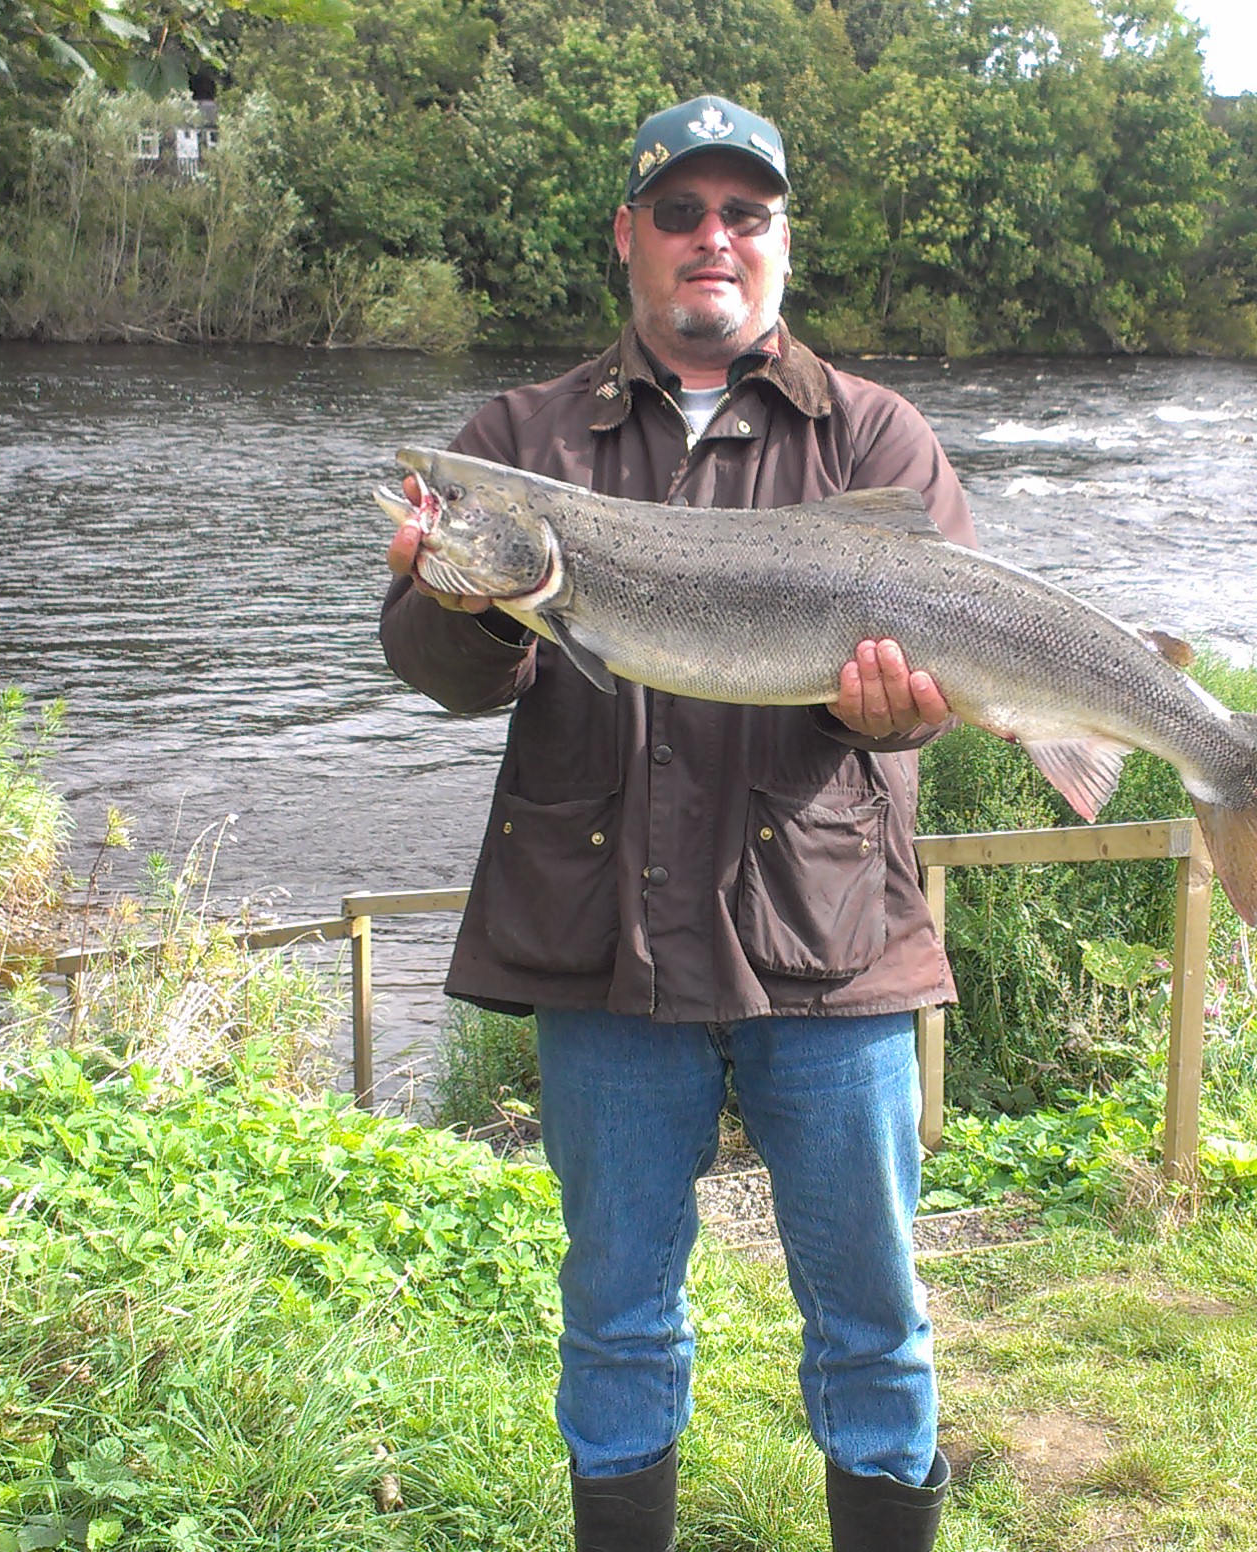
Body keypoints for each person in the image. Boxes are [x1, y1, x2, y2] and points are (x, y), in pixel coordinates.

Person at [379, 95, 973, 1551]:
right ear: (630, 240)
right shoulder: (517, 443)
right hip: (601, 954)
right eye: (684, 213)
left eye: (746, 216)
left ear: (779, 246)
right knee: (617, 1321)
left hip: (829, 949)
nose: (717, 239)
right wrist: (458, 594)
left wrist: (899, 710)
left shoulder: (876, 433)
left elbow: (939, 672)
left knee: (875, 1322)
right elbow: (446, 675)